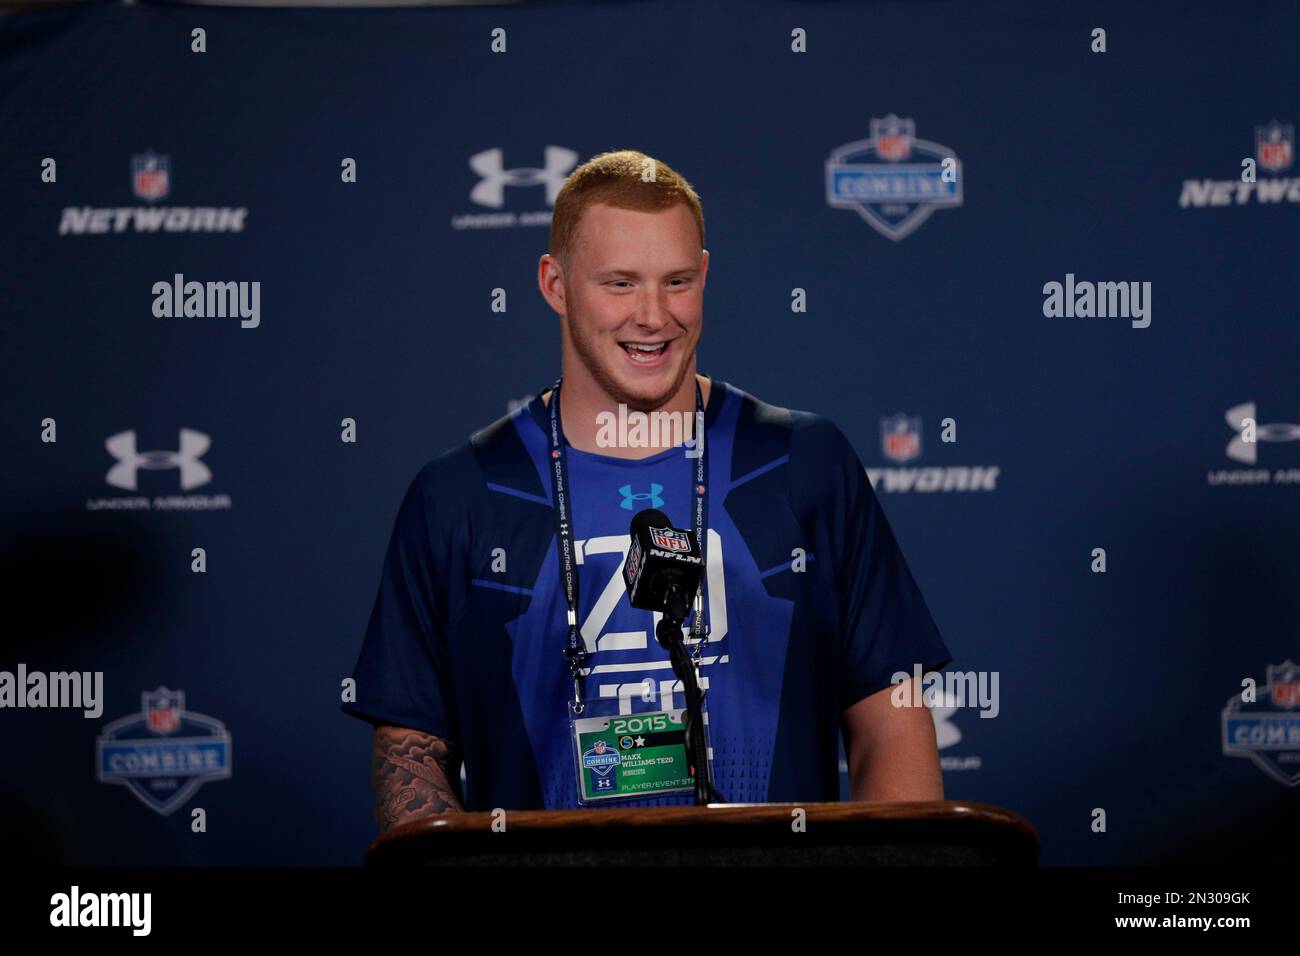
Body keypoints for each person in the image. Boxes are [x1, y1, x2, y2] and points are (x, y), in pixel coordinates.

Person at [343, 149, 951, 831]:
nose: (654, 316)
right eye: (621, 284)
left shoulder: (803, 462)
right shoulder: (460, 494)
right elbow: (410, 757)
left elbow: (890, 724)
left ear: (706, 276)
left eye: (677, 282)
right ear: (555, 284)